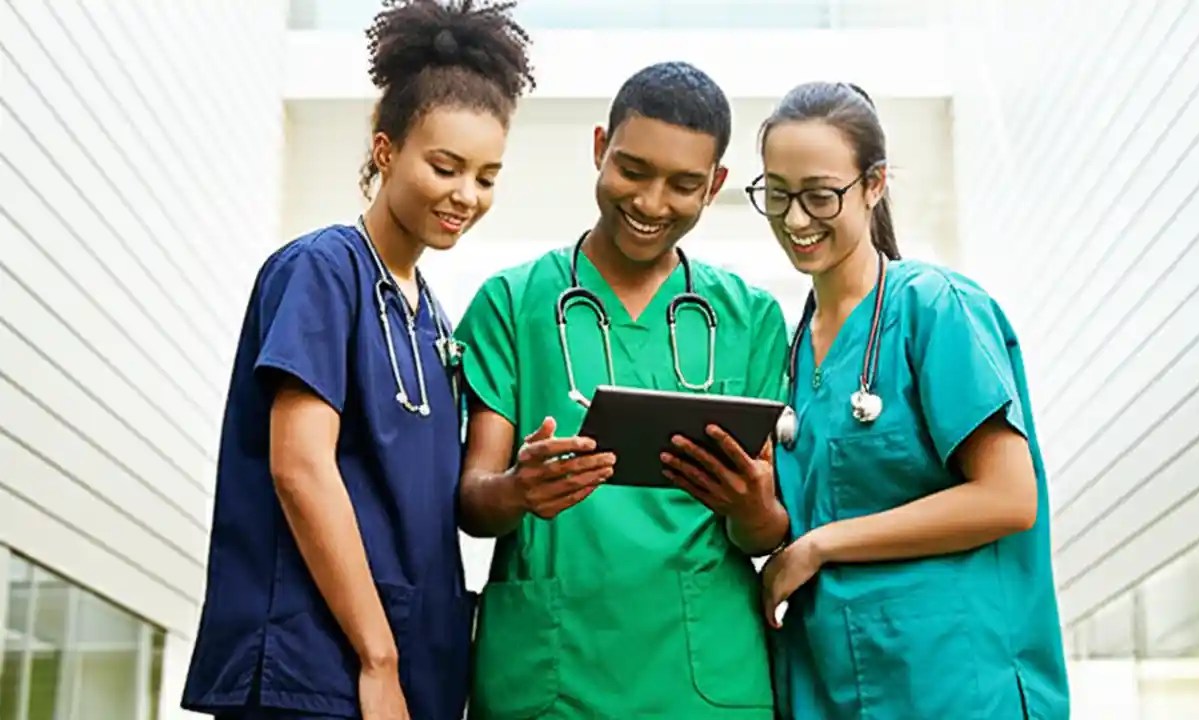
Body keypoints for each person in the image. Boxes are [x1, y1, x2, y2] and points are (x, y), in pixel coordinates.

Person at [179, 2, 535, 718]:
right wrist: (377, 657)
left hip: (411, 675)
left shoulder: (432, 318)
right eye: (445, 166)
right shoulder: (322, 271)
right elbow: (300, 466)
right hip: (314, 666)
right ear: (384, 152)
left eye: (487, 176)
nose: (466, 195)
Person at [454, 61, 790, 719]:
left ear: (715, 184)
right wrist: (518, 491)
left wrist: (750, 507)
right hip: (552, 674)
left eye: (684, 184)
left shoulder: (750, 318)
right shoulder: (512, 303)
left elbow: (765, 530)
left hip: (705, 677)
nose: (650, 203)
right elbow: (473, 501)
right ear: (600, 146)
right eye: (632, 170)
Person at [750, 81, 1070, 719]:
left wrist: (820, 545)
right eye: (777, 195)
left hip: (959, 684)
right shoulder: (788, 354)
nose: (794, 219)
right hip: (834, 686)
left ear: (873, 185)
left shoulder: (934, 308)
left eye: (819, 195)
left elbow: (1008, 497)